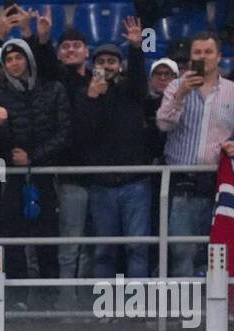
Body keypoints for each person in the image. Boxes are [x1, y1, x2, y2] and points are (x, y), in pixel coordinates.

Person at [157, 32, 234, 277]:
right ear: (190, 58)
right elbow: (163, 124)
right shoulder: (175, 87)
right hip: (182, 182)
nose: (203, 57)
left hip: (218, 183)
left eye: (208, 52)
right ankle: (184, 311)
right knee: (181, 252)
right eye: (197, 53)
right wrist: (181, 95)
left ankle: (216, 311)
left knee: (218, 253)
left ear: (219, 56)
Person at [0, 38, 71, 301]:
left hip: (46, 174)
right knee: (13, 240)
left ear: (29, 59)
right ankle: (18, 299)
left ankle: (49, 299)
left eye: (19, 57)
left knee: (47, 239)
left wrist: (33, 157)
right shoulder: (0, 96)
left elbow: (64, 133)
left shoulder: (53, 89)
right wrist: (0, 127)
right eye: (9, 60)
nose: (14, 64)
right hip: (13, 178)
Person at [76, 22, 154, 279]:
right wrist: (91, 99)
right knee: (103, 251)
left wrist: (135, 47)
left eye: (112, 61)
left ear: (120, 66)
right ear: (93, 66)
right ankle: (104, 310)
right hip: (101, 185)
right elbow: (82, 134)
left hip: (135, 184)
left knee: (138, 249)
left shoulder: (130, 91)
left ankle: (138, 308)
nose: (107, 65)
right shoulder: (84, 95)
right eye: (101, 61)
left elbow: (141, 86)